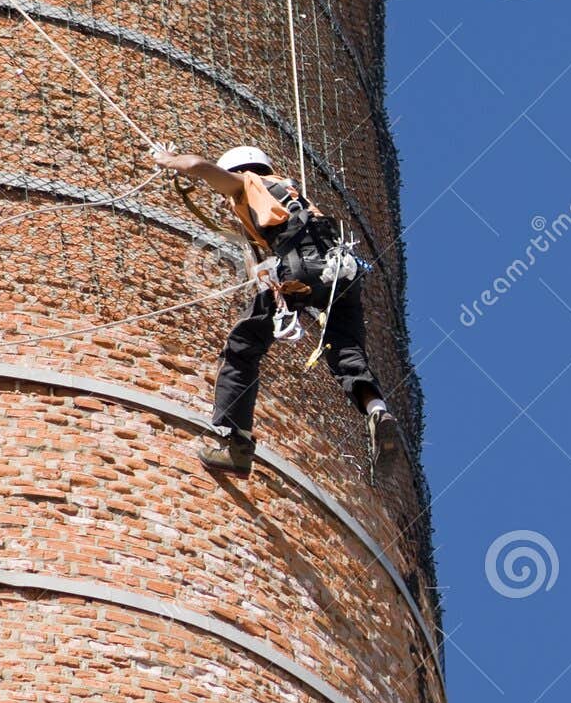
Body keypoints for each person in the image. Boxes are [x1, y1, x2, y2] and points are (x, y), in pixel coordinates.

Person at [149, 144, 400, 477]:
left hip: (301, 271)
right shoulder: (292, 193)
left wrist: (168, 161)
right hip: (343, 274)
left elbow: (198, 165)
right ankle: (377, 411)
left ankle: (235, 445)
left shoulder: (248, 184)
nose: (226, 202)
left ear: (241, 169)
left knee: (242, 348)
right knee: (347, 352)